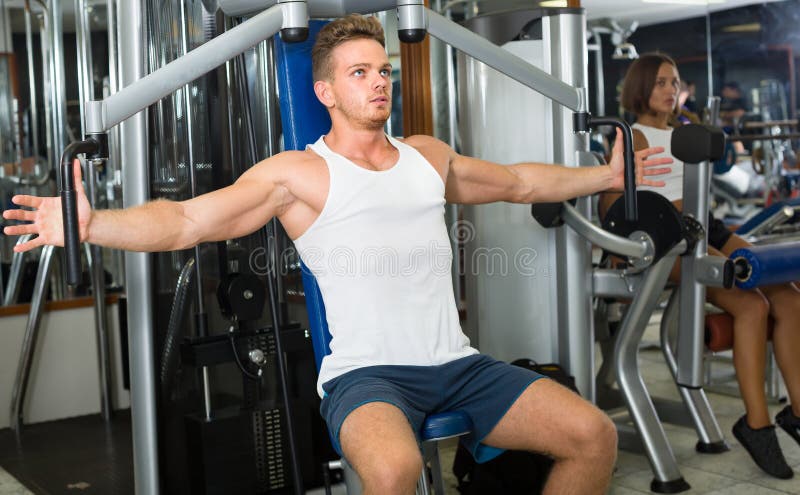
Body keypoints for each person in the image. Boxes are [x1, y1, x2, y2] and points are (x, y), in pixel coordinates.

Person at [3, 15, 672, 494]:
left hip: (459, 363)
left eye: (382, 71)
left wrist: (605, 176)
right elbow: (185, 221)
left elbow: (520, 182)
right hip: (367, 377)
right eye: (360, 73)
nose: (379, 82)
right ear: (325, 91)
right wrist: (93, 224)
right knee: (394, 470)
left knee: (593, 436)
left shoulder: (426, 155)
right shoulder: (299, 174)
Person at [600, 52, 800, 480]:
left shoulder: (684, 131)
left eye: (674, 82)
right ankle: (757, 424)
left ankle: (798, 413)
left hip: (706, 225)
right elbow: (610, 200)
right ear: (640, 88)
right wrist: (623, 241)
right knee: (752, 305)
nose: (671, 90)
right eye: (660, 82)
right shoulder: (633, 137)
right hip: (670, 238)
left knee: (788, 295)